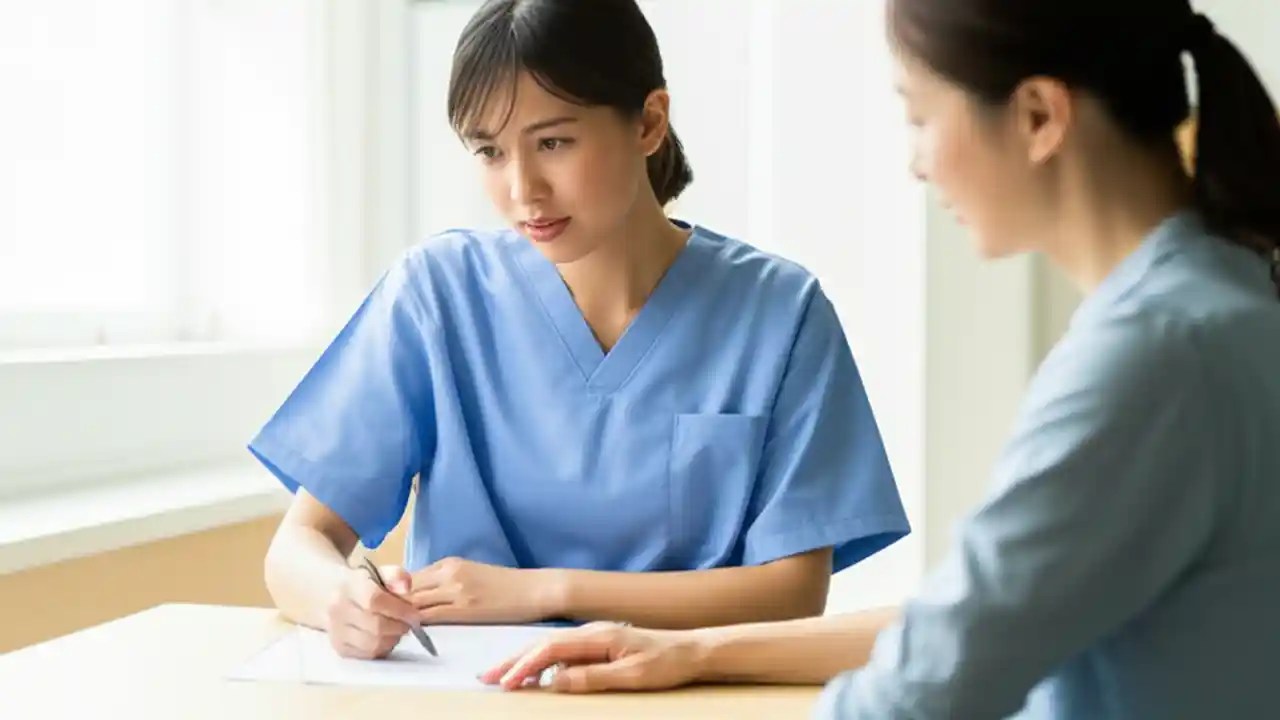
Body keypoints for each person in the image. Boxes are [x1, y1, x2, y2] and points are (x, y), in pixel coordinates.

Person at [483, 2, 1280, 717]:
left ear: (1038, 116)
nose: (917, 163)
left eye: (920, 117)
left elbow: (921, 692)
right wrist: (694, 651)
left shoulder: (1152, 358)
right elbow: (972, 617)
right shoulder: (1216, 302)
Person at [251, 0, 909, 662]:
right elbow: (297, 551)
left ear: (649, 122)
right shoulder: (435, 297)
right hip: (471, 700)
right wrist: (346, 600)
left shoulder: (779, 311)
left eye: (554, 143)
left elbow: (792, 592)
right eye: (488, 151)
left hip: (692, 697)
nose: (522, 190)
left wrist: (545, 592)